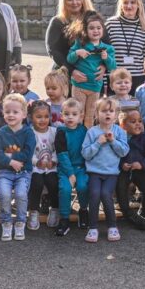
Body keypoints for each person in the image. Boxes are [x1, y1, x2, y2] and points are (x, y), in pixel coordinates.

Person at [81, 98, 129, 243]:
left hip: (111, 173)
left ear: (116, 114)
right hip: (94, 172)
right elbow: (85, 153)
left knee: (106, 194)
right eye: (103, 111)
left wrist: (113, 141)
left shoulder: (119, 132)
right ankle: (93, 227)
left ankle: (112, 226)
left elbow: (124, 152)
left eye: (111, 111)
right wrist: (98, 143)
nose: (107, 114)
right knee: (95, 194)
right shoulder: (92, 132)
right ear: (96, 113)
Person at [0, 93, 35, 242]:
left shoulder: (28, 132)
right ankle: (6, 222)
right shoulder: (0, 133)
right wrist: (10, 162)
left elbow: (28, 153)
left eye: (15, 112)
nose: (11, 115)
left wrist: (10, 156)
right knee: (4, 195)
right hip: (4, 171)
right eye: (7, 112)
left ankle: (21, 222)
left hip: (23, 172)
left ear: (23, 114)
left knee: (21, 195)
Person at [67, 11, 117, 127]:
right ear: (86, 30)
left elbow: (113, 67)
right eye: (91, 28)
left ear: (103, 30)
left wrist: (107, 59)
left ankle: (87, 139)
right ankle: (77, 137)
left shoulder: (107, 48)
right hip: (79, 86)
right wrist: (77, 53)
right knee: (78, 114)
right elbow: (69, 59)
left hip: (95, 87)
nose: (95, 31)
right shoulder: (80, 44)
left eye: (98, 28)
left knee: (90, 116)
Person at [105, 0, 145, 93]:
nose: (129, 6)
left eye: (132, 2)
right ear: (121, 5)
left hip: (137, 78)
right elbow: (103, 52)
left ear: (138, 5)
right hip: (115, 78)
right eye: (126, 2)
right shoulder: (110, 25)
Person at [46, 0, 99, 77]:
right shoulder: (57, 22)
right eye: (70, 0)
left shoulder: (94, 18)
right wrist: (72, 71)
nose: (75, 2)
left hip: (90, 75)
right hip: (64, 74)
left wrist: (103, 66)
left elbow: (106, 44)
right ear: (64, 2)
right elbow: (53, 51)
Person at [54, 98, 90, 236]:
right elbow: (62, 155)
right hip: (65, 169)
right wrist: (70, 173)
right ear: (61, 115)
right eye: (67, 114)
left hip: (81, 168)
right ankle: (64, 219)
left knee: (83, 186)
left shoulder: (83, 130)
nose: (70, 117)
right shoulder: (61, 132)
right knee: (65, 188)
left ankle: (83, 211)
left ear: (80, 116)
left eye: (74, 114)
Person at [116, 106, 145, 230]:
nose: (138, 124)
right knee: (120, 188)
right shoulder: (119, 139)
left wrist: (142, 164)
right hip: (124, 171)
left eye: (140, 121)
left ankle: (143, 212)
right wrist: (122, 164)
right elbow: (114, 156)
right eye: (133, 122)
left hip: (141, 170)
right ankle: (128, 213)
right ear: (123, 125)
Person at [28, 100, 59, 231]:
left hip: (52, 166)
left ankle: (55, 209)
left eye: (46, 116)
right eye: (38, 117)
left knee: (53, 182)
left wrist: (54, 160)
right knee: (36, 183)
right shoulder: (29, 132)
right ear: (31, 117)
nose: (43, 120)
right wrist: (36, 162)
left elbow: (58, 149)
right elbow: (27, 152)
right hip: (36, 167)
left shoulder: (54, 131)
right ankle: (34, 211)